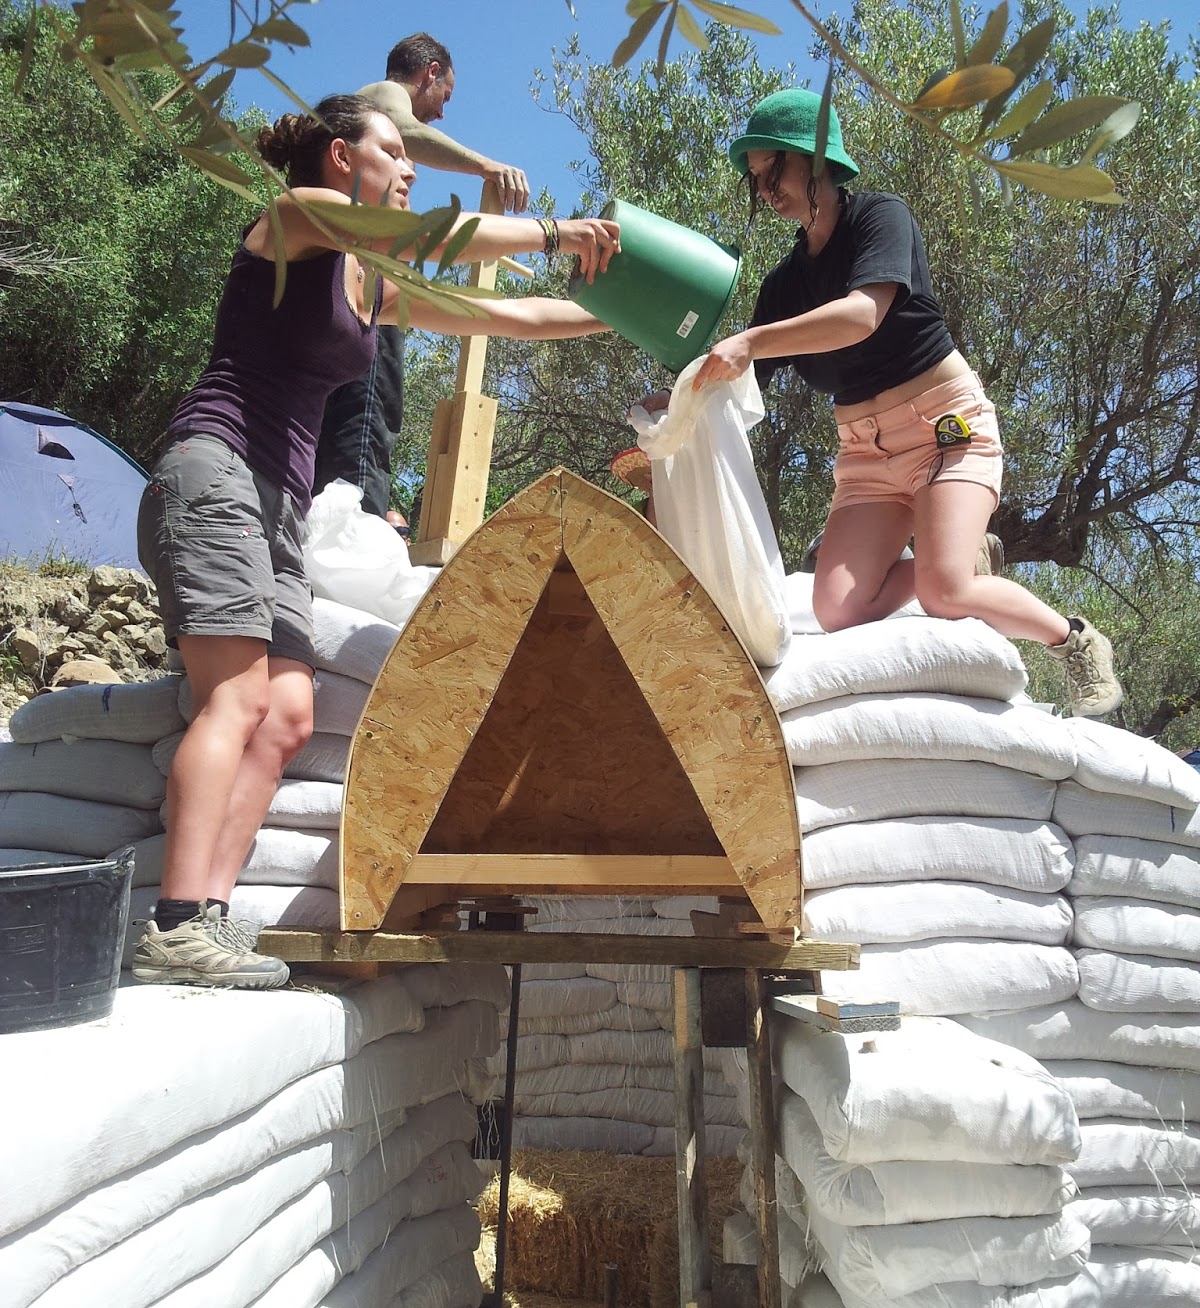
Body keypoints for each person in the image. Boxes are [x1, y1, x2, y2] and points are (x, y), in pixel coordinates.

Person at [132, 95, 617, 989]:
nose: (408, 168)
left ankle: (208, 919)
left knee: (285, 718)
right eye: (393, 151)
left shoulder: (369, 282)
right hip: (216, 472)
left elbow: (505, 320)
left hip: (279, 504)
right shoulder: (291, 221)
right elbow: (438, 234)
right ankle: (171, 924)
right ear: (338, 158)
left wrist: (626, 319)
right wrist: (550, 231)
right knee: (234, 703)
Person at [692, 89, 1123, 720]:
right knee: (837, 608)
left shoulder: (880, 217)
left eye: (772, 169)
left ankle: (1076, 642)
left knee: (946, 592)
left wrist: (751, 340)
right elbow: (737, 368)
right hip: (866, 457)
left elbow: (863, 315)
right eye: (754, 178)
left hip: (946, 430)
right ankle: (951, 554)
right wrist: (677, 395)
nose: (763, 188)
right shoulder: (784, 286)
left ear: (814, 160)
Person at [313, 32, 530, 519]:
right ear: (430, 72)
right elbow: (405, 128)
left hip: (346, 270)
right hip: (367, 271)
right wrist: (484, 166)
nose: (443, 112)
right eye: (445, 95)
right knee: (369, 403)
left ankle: (336, 512)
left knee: (342, 405)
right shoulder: (386, 95)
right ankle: (359, 520)